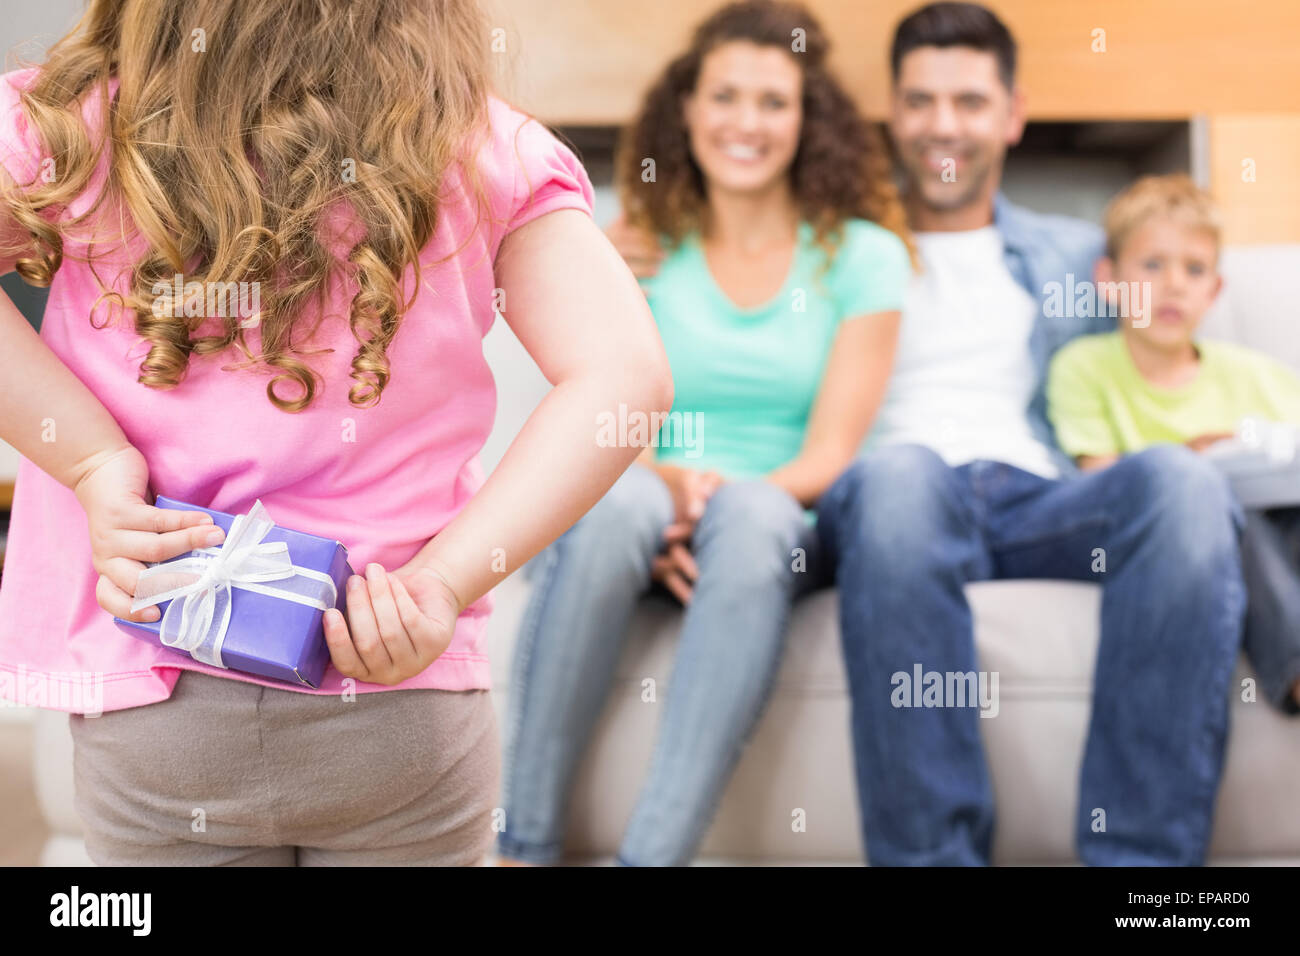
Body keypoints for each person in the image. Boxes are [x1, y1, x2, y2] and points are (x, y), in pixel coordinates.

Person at [0, 0, 672, 865]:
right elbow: (627, 375)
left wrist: (93, 461)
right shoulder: (480, 147)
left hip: (157, 700)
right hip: (395, 693)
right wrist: (439, 584)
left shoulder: (76, 125)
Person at [609, 1, 1245, 866]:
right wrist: (621, 250)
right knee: (905, 474)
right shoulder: (835, 245)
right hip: (886, 505)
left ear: (1012, 114)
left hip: (1036, 500)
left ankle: (1143, 875)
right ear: (892, 115)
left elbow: (1173, 333)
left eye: (971, 102)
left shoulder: (1075, 257)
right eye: (920, 101)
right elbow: (707, 280)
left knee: (1180, 482)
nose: (944, 125)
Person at [496, 0, 912, 867]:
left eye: (773, 101)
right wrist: (673, 490)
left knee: (753, 517)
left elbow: (831, 454)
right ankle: (519, 848)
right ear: (686, 110)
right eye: (725, 96)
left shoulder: (863, 256)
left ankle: (650, 861)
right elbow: (602, 405)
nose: (746, 123)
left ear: (808, 121)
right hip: (640, 495)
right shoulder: (636, 245)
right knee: (618, 507)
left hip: (774, 515)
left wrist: (717, 503)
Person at [1048, 173, 1300, 714]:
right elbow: (1100, 480)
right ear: (1108, 279)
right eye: (1152, 266)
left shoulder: (1261, 376)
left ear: (1215, 289)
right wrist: (1191, 457)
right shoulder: (1084, 368)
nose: (1174, 286)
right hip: (1195, 532)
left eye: (1194, 269)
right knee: (1227, 514)